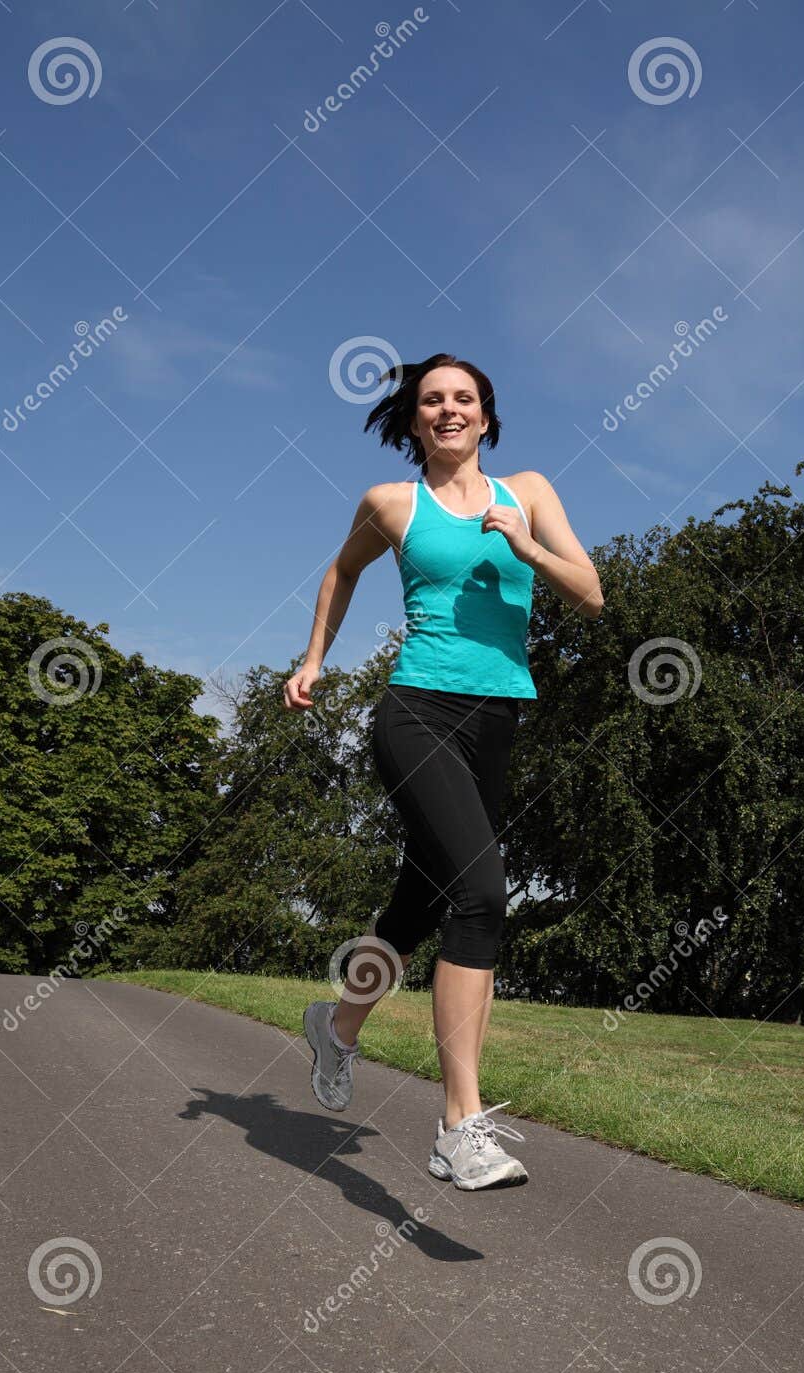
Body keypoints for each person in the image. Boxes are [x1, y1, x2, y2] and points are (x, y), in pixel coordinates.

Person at [283, 353, 602, 1190]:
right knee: (481, 893)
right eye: (432, 400)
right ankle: (460, 1123)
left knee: (420, 900)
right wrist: (313, 658)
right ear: (415, 420)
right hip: (415, 711)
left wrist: (527, 547)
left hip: (495, 719)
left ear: (485, 419)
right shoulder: (391, 504)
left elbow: (592, 594)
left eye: (463, 399)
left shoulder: (526, 492)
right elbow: (341, 569)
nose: (448, 410)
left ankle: (337, 1025)